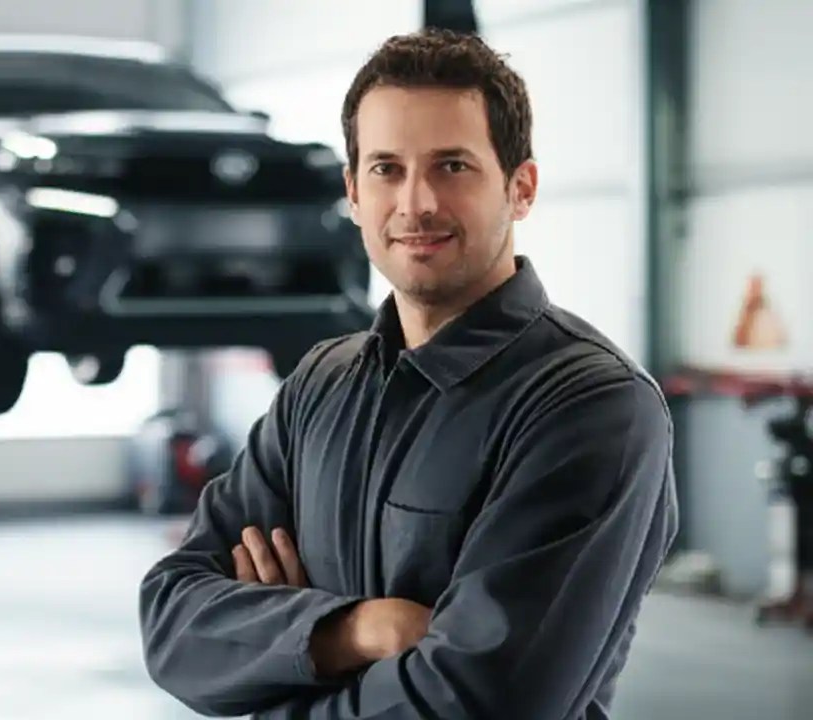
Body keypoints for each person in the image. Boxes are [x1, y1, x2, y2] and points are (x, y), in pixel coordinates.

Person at [138, 27, 679, 719]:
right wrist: (353, 630)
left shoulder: (590, 407)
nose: (415, 203)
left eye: (452, 166)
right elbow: (171, 621)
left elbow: (485, 702)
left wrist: (274, 660)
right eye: (386, 168)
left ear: (521, 187)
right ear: (353, 193)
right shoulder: (320, 386)